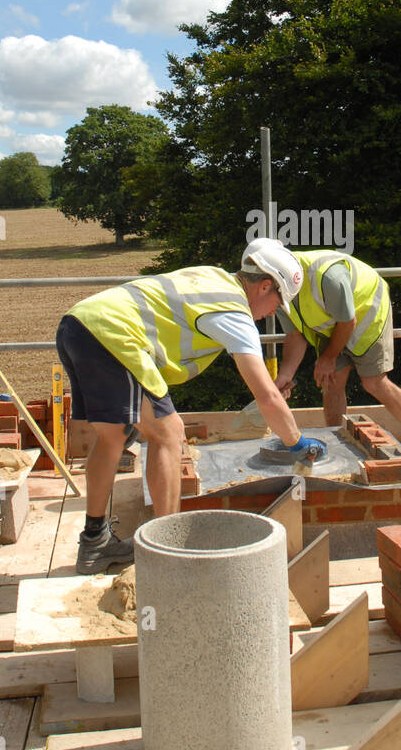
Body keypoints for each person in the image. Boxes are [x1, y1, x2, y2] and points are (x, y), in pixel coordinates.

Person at [56, 239, 325, 573]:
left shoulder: (213, 277)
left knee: (112, 438)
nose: (273, 312)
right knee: (169, 434)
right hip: (113, 337)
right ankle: (165, 554)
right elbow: (267, 397)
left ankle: (94, 544)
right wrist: (296, 442)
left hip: (79, 325)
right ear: (264, 286)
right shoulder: (235, 312)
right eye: (277, 302)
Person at [273, 249, 401, 464]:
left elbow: (348, 322)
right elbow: (295, 336)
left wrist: (329, 357)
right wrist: (285, 375)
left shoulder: (327, 276)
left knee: (373, 382)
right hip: (334, 323)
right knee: (331, 381)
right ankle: (336, 447)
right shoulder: (277, 291)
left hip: (366, 315)